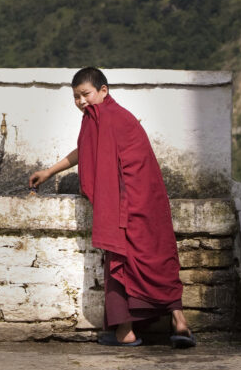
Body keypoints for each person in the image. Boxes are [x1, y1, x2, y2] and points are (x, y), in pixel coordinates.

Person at [29, 67, 196, 348]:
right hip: (150, 200)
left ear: (103, 91)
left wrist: (49, 173)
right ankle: (180, 322)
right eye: (76, 97)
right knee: (159, 256)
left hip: (124, 204)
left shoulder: (100, 116)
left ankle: (126, 333)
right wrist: (50, 171)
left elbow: (92, 155)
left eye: (86, 94)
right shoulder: (122, 116)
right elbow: (88, 151)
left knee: (119, 258)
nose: (81, 102)